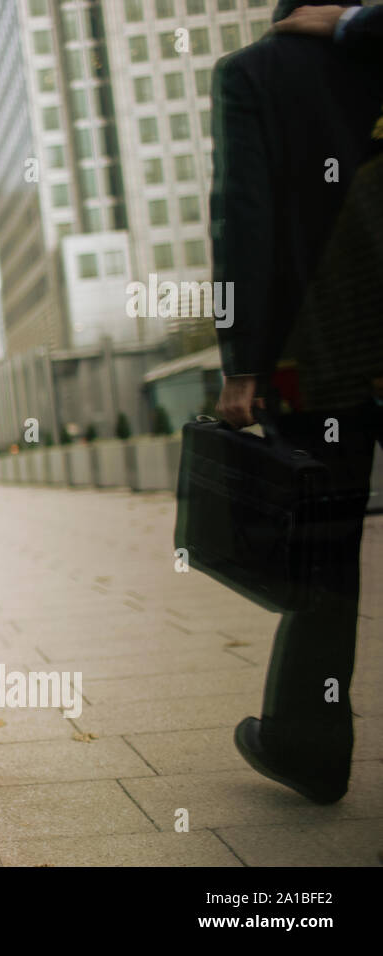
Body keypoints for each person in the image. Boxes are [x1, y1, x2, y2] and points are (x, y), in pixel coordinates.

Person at [212, 0, 383, 803]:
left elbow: (244, 218)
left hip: (323, 356)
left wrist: (243, 364)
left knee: (325, 559)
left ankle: (307, 746)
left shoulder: (255, 74)